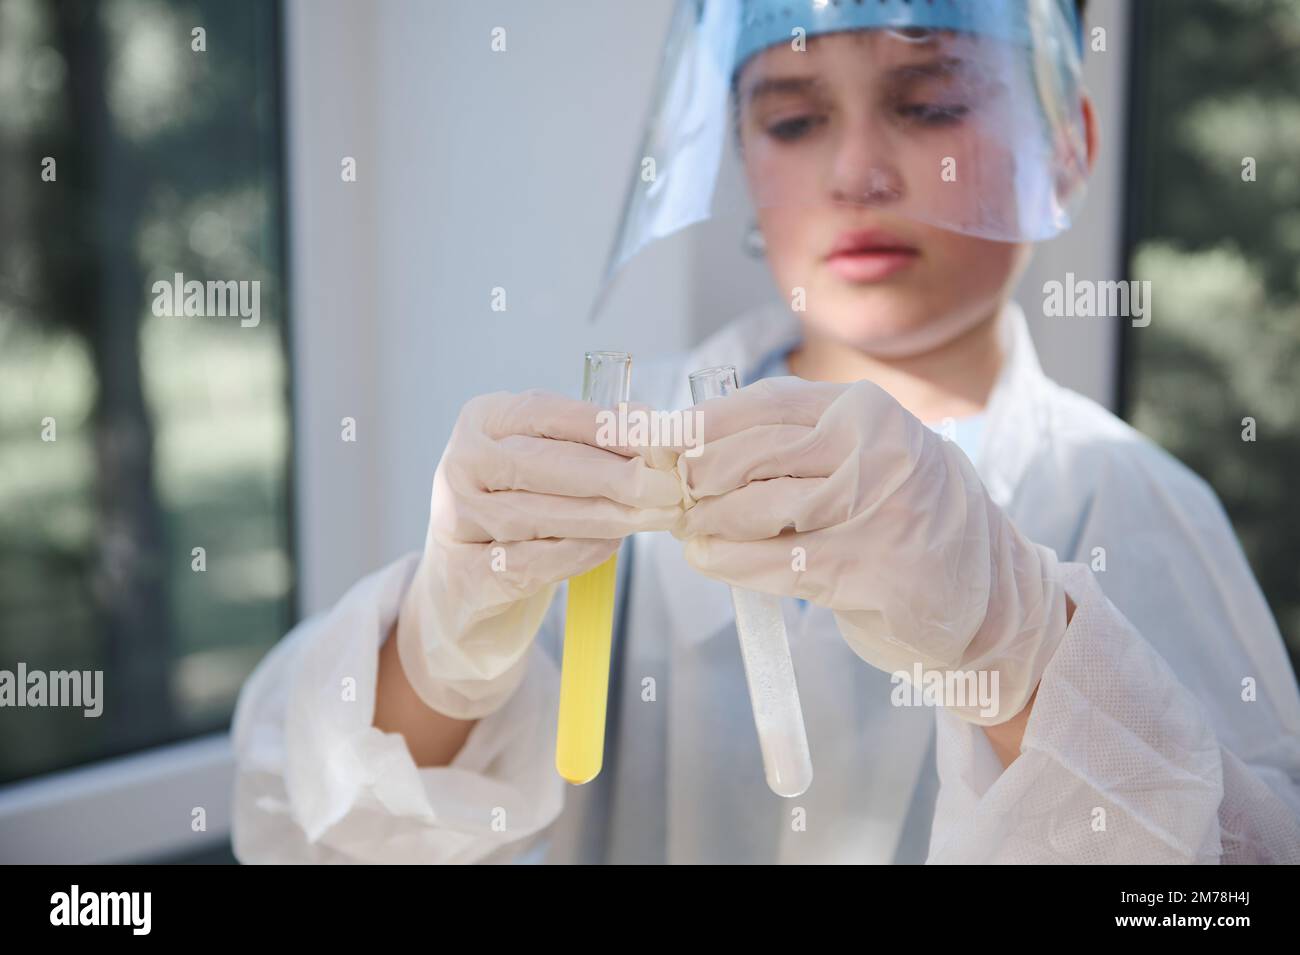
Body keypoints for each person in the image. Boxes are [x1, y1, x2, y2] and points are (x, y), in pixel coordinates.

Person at [231, 0, 1300, 863]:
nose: (856, 172)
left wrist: (1022, 650)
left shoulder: (1129, 499)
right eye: (792, 119)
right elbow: (309, 830)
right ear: (738, 150)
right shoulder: (612, 453)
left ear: (1064, 140)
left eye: (928, 103)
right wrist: (436, 651)